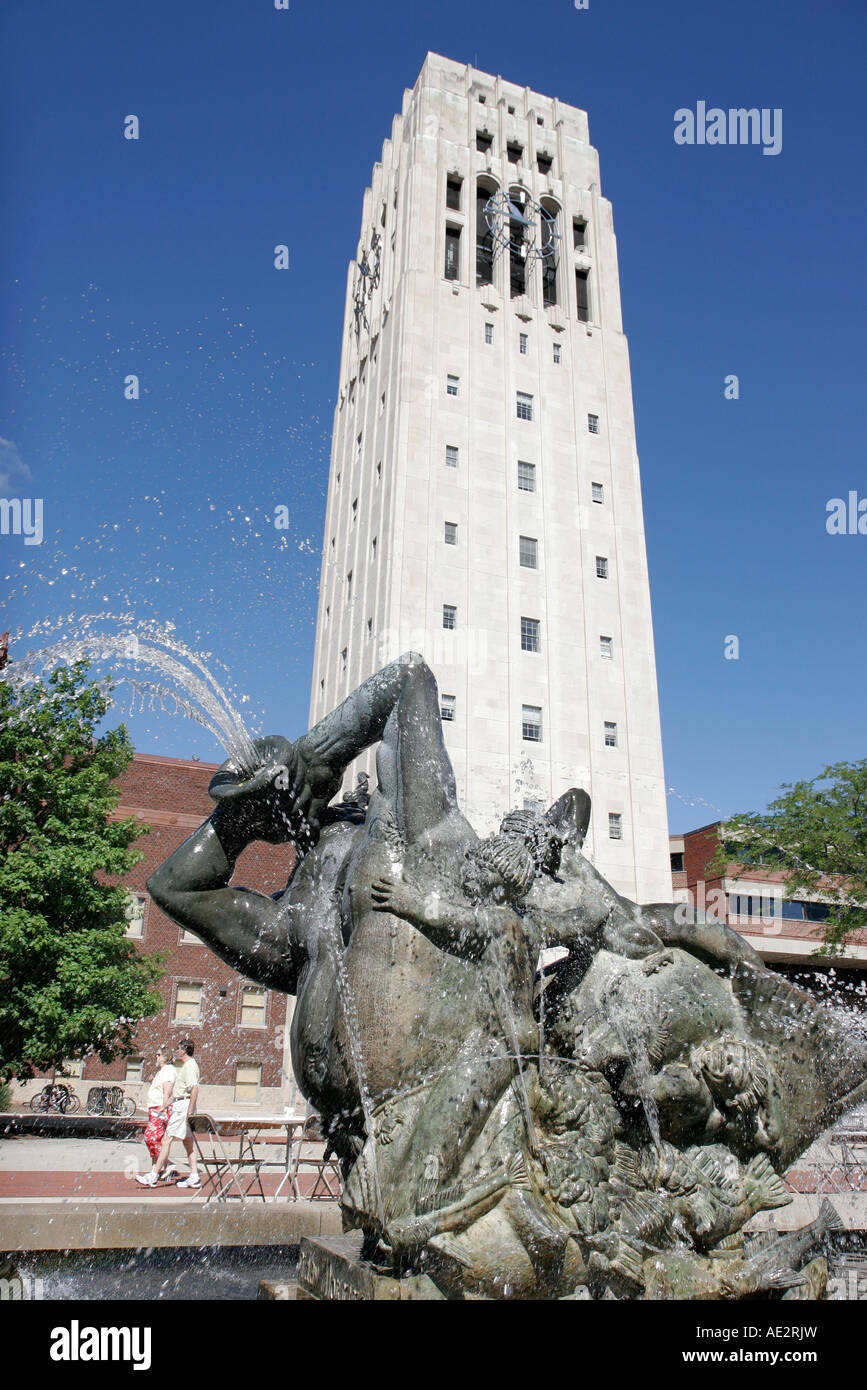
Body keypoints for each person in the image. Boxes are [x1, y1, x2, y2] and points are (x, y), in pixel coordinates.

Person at [136, 1039, 201, 1189]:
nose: (176, 1051)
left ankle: (153, 1175)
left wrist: (190, 1110)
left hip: (182, 1107)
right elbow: (175, 1094)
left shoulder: (190, 1066)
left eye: (178, 1049)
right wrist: (164, 1107)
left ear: (184, 1050)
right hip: (179, 1103)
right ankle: (194, 1176)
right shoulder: (185, 1066)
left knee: (166, 1140)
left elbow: (194, 1089)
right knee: (188, 1143)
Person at [141, 1046, 176, 1175]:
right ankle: (156, 1169)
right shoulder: (162, 1071)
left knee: (150, 1137)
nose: (156, 1057)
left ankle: (167, 1163)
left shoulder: (168, 1070)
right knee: (157, 1139)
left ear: (166, 1057)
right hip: (155, 1108)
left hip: (159, 1109)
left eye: (159, 1055)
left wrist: (163, 1108)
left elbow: (167, 1091)